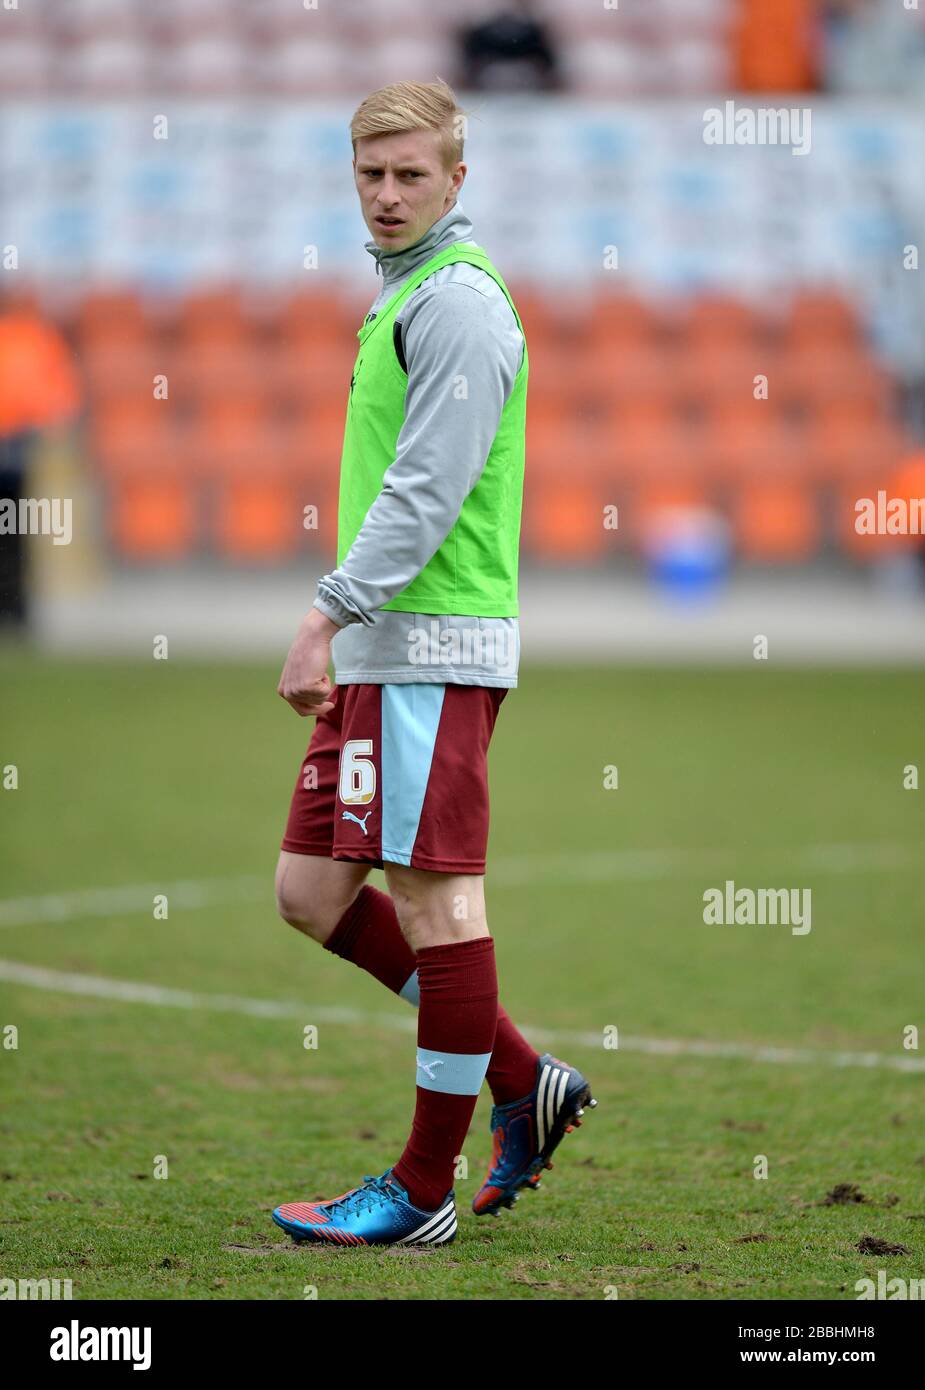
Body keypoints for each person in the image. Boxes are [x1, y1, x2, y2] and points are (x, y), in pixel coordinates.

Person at [271, 79, 594, 1248]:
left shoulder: (458, 302)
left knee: (436, 898)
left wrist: (327, 610)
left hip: (429, 643)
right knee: (309, 893)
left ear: (457, 179)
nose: (390, 194)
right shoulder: (402, 294)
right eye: (372, 174)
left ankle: (419, 1191)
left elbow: (427, 488)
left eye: (413, 174)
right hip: (385, 646)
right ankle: (523, 1078)